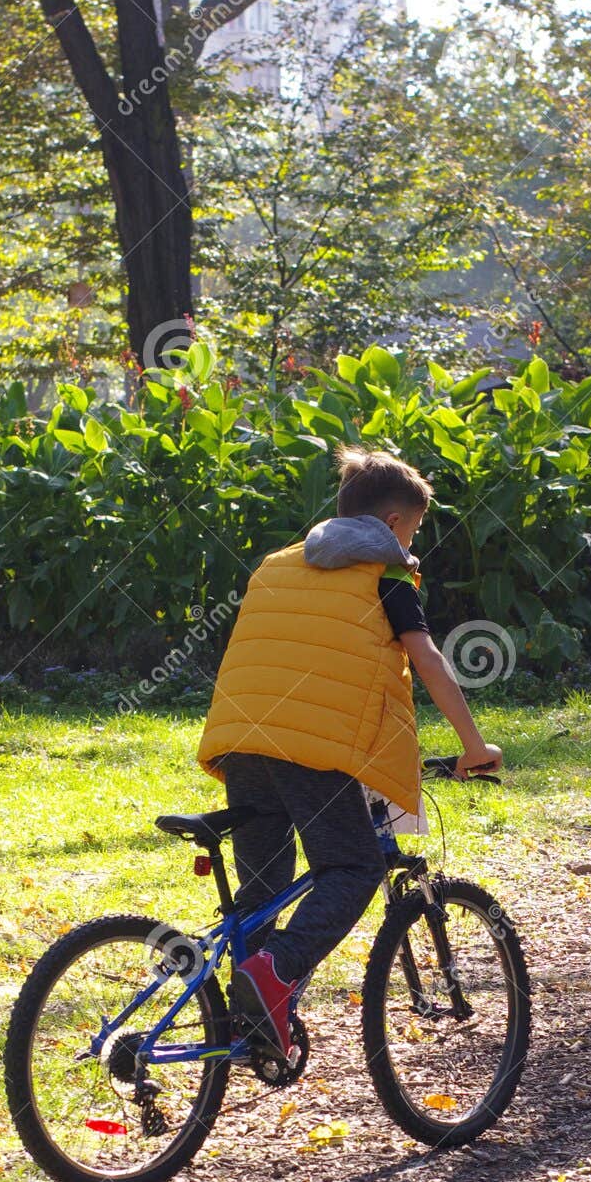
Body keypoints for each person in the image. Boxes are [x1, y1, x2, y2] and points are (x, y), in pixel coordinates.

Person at [196, 445, 502, 1057]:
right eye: (414, 531)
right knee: (354, 867)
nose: (413, 545)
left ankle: (254, 1029)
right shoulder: (386, 571)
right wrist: (473, 745)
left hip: (240, 741)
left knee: (261, 898)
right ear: (393, 525)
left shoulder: (277, 564)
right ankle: (276, 975)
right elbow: (427, 658)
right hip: (314, 751)